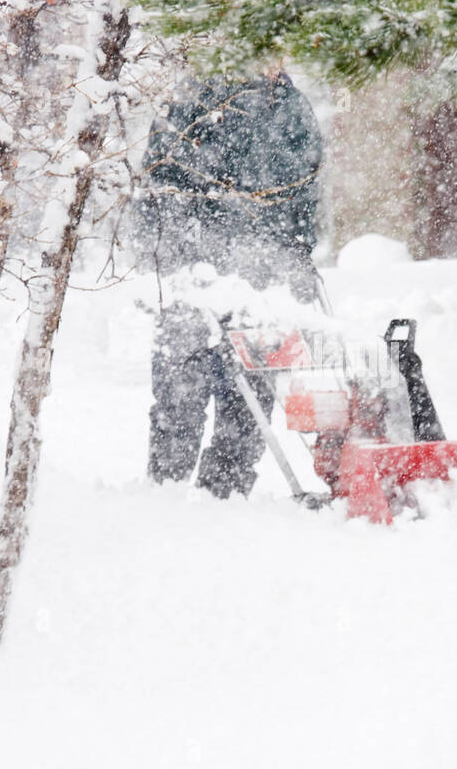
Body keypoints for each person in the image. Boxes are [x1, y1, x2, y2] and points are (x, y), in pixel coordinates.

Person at [135, 66, 323, 498]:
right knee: (181, 391)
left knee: (251, 395)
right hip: (194, 272)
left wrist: (297, 252)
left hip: (263, 276)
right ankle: (165, 492)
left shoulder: (291, 106)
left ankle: (226, 491)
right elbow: (158, 178)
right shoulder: (190, 99)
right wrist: (179, 256)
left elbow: (307, 187)